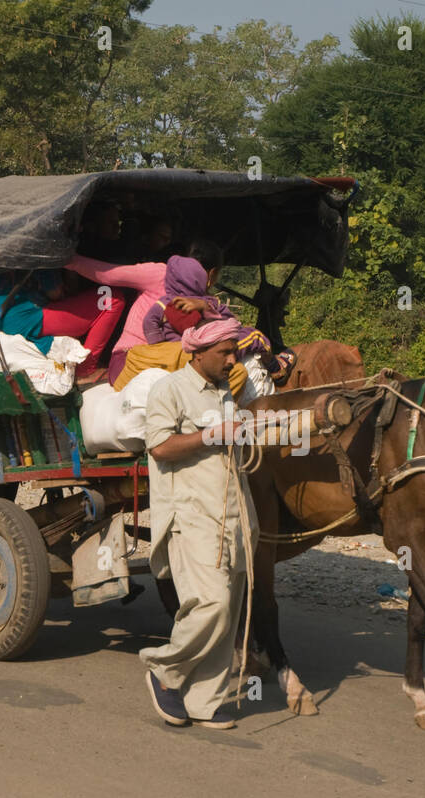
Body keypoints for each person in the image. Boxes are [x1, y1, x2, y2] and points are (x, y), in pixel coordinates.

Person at [140, 316, 257, 730]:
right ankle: (164, 671)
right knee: (212, 605)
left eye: (235, 351)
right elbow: (159, 447)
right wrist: (215, 435)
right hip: (191, 515)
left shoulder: (229, 393)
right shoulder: (169, 389)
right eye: (225, 352)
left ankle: (205, 701)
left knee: (232, 608)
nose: (232, 360)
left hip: (235, 515)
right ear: (198, 351)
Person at [65, 240, 226, 386]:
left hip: (152, 364)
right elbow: (110, 275)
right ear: (212, 274)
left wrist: (71, 261)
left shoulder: (204, 302)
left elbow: (108, 274)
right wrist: (70, 260)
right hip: (131, 362)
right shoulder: (164, 275)